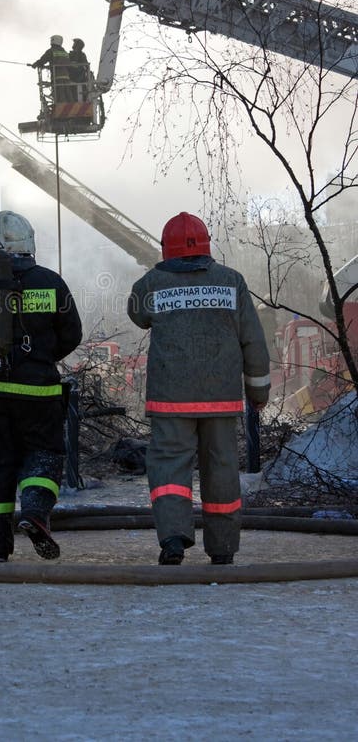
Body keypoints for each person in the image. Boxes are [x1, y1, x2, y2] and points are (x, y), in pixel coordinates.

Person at [127, 212, 270, 566]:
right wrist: (258, 391)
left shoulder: (151, 284)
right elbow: (253, 340)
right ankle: (223, 548)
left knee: (169, 469)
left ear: (166, 249)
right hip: (220, 400)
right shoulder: (232, 282)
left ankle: (173, 539)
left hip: (170, 400)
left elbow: (136, 314)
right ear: (206, 245)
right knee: (221, 470)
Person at [0, 210, 82, 562]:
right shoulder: (52, 283)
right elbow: (73, 334)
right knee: (44, 455)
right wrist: (39, 359)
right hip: (39, 393)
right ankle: (36, 513)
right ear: (29, 243)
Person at [30, 34, 74, 102]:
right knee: (68, 94)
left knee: (60, 95)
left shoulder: (51, 51)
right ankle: (72, 106)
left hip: (57, 77)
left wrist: (36, 64)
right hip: (66, 77)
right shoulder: (65, 52)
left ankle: (62, 108)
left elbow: (43, 60)